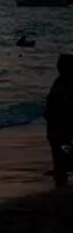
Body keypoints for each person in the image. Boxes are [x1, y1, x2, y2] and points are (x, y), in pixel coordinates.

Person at [45, 54, 73, 187]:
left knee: (61, 144)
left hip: (62, 120)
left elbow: (63, 102)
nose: (58, 66)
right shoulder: (60, 80)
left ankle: (61, 170)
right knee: (57, 144)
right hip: (57, 120)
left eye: (61, 64)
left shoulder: (67, 82)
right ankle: (60, 169)